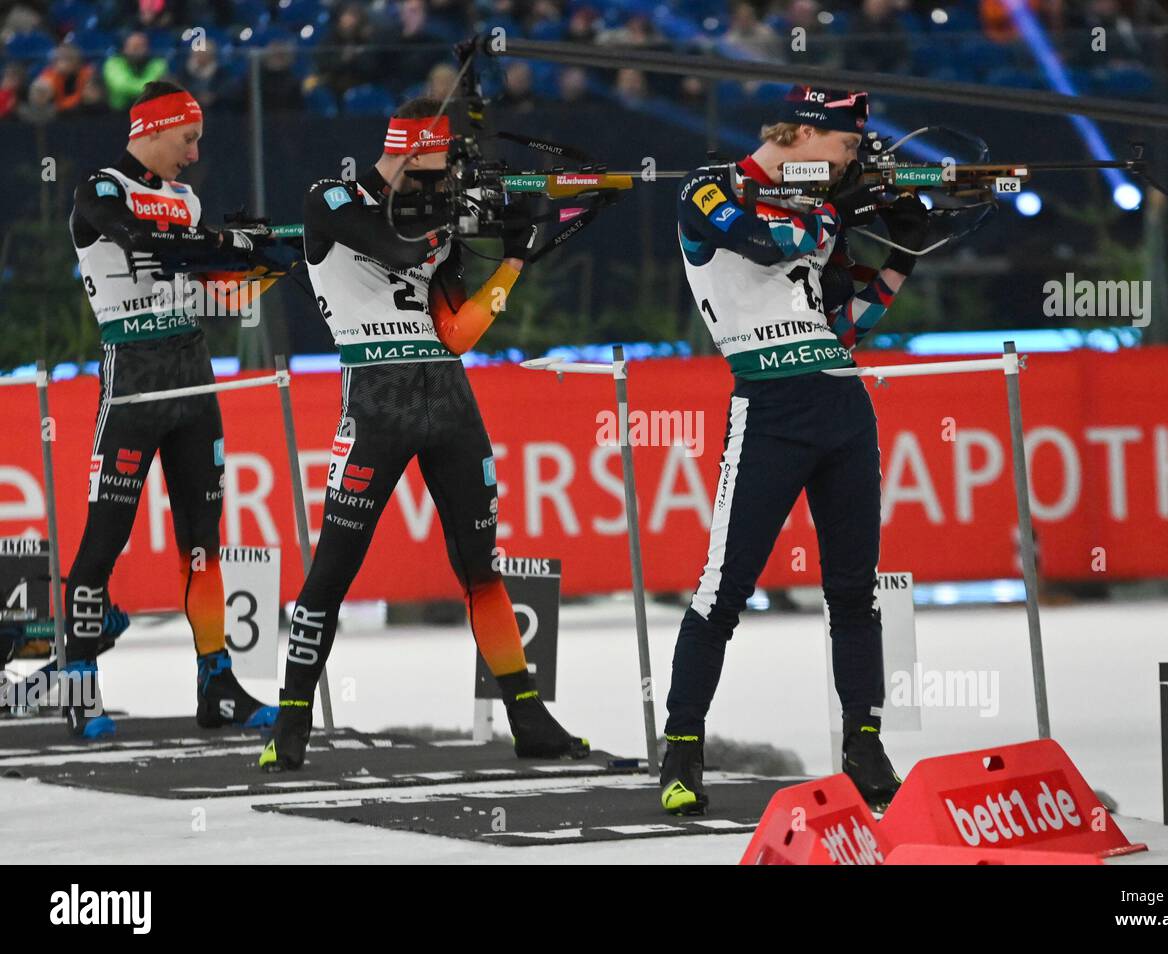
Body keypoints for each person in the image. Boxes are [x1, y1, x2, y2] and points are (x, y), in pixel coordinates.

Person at [259, 97, 589, 770]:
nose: (440, 185)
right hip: (376, 397)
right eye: (432, 173)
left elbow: (457, 333)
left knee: (481, 570)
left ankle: (529, 720)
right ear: (408, 154)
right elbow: (394, 244)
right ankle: (291, 723)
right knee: (333, 570)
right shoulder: (331, 196)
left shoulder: (434, 213)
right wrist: (463, 213)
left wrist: (513, 262)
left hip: (448, 394)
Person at [659, 85, 930, 814]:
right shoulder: (709, 188)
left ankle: (864, 745)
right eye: (843, 148)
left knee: (854, 591)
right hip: (769, 406)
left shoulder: (815, 211)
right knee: (723, 591)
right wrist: (838, 211)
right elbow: (762, 240)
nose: (848, 162)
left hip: (843, 402)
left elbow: (845, 325)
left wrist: (904, 250)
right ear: (804, 133)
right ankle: (682, 751)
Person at [64, 80, 280, 738]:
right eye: (187, 140)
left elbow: (212, 284)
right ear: (153, 130)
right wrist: (212, 243)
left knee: (204, 545)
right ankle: (78, 688)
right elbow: (134, 239)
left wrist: (254, 260)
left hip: (192, 374)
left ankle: (217, 685)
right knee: (104, 540)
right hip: (133, 378)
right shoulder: (101, 189)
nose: (192, 156)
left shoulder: (186, 198)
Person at [103, 32, 168, 111]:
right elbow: (121, 86)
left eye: (141, 46)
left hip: (150, 113)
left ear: (148, 48)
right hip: (118, 112)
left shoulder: (158, 64)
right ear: (124, 48)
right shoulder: (113, 63)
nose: (136, 50)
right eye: (133, 46)